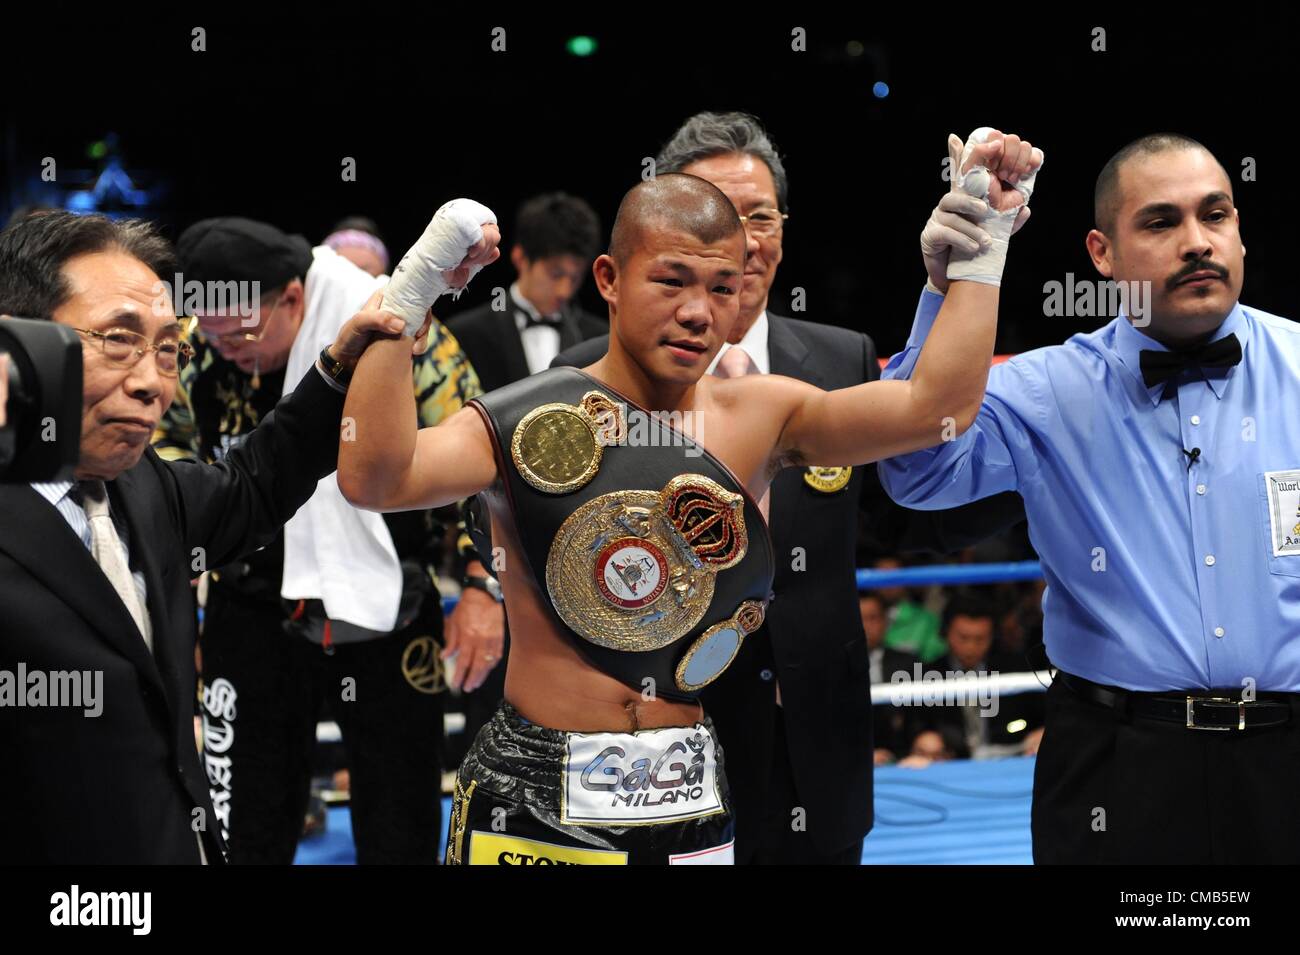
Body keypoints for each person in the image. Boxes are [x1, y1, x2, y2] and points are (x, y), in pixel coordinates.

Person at [339, 132, 1042, 865]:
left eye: (720, 287)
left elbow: (940, 409)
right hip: (535, 786)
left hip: (689, 790)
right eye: (671, 281)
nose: (698, 312)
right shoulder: (524, 419)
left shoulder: (766, 414)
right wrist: (410, 294)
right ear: (608, 278)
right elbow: (377, 478)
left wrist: (981, 252)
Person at [555, 112, 1027, 863]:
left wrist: (1046, 486)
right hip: (649, 740)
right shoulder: (582, 383)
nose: (743, 238)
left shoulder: (839, 358)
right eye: (716, 210)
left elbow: (898, 512)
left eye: (760, 216)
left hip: (812, 737)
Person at [878, 133, 1300, 864]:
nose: (1197, 242)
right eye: (1162, 222)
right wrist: (958, 279)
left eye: (1216, 215)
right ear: (1102, 254)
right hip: (1116, 765)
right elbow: (916, 474)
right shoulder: (1049, 391)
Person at [0, 211, 417, 863]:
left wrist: (337, 365)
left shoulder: (145, 487)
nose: (152, 384)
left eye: (168, 350)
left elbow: (253, 482)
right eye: (118, 340)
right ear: (17, 348)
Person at [158, 216, 480, 863]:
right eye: (211, 335)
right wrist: (176, 615)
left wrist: (482, 584)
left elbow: (480, 463)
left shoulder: (400, 330)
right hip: (249, 605)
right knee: (244, 817)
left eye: (241, 332)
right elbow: (162, 478)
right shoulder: (196, 343)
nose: (226, 349)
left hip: (392, 606)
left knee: (402, 821)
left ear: (294, 300)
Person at [443, 191, 607, 763]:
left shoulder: (602, 338)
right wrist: (476, 569)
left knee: (578, 714)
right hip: (490, 541)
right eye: (554, 273)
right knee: (489, 714)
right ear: (519, 258)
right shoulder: (465, 332)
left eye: (574, 277)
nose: (564, 289)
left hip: (584, 551)